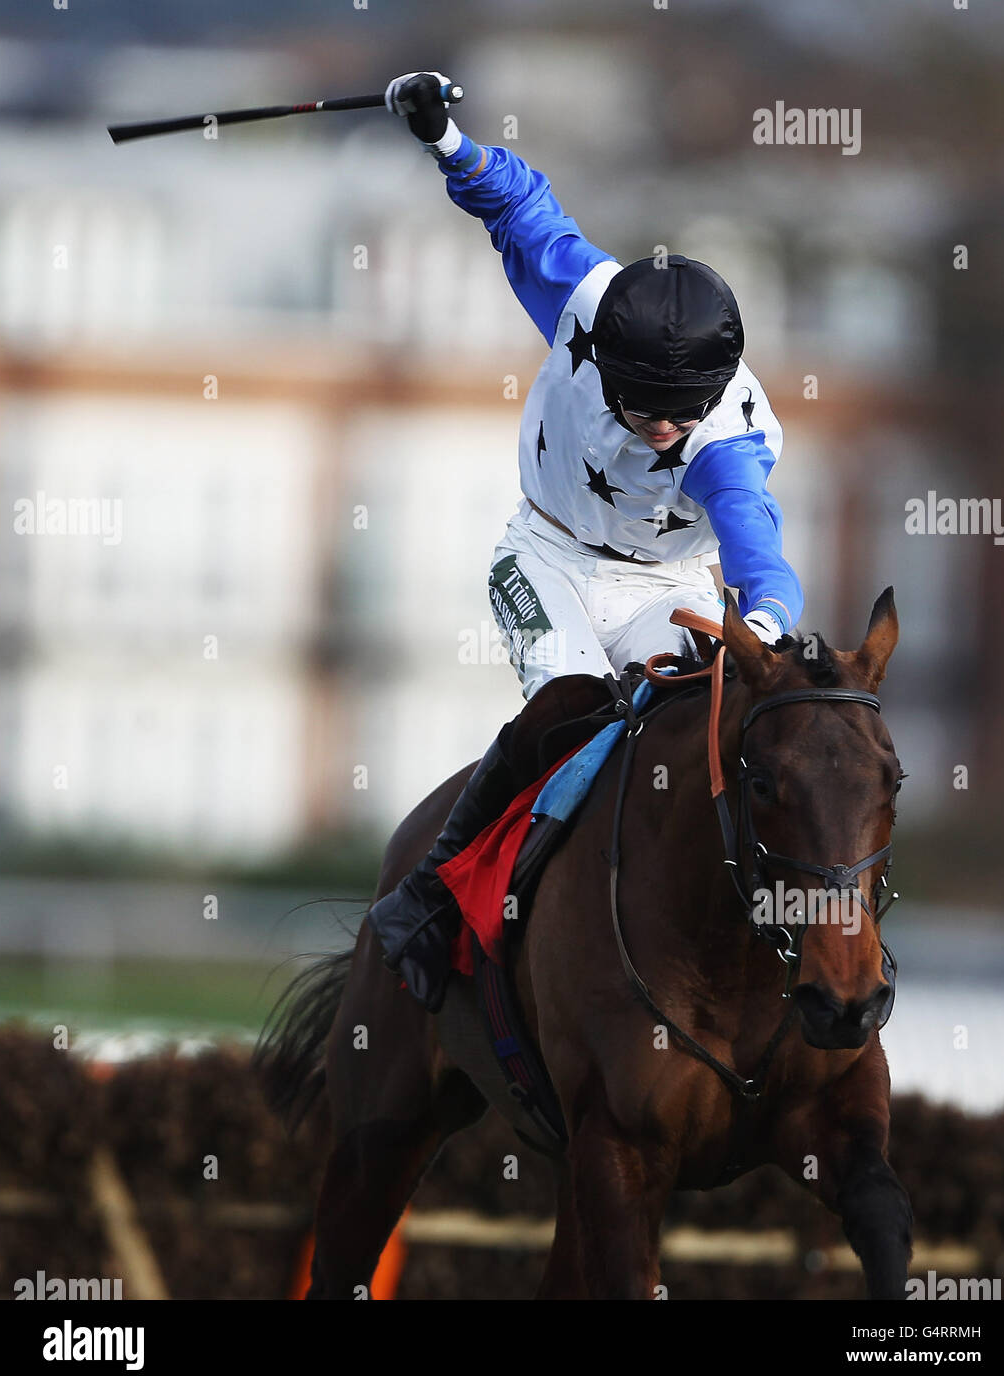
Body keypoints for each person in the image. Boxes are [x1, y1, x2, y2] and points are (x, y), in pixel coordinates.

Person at [366, 72, 804, 1011]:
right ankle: (431, 898)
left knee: (681, 733)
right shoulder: (585, 303)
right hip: (547, 556)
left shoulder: (727, 445)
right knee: (570, 707)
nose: (662, 433)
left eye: (681, 417)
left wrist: (761, 627)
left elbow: (760, 553)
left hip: (667, 584)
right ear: (604, 361)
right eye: (644, 409)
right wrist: (446, 138)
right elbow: (518, 205)